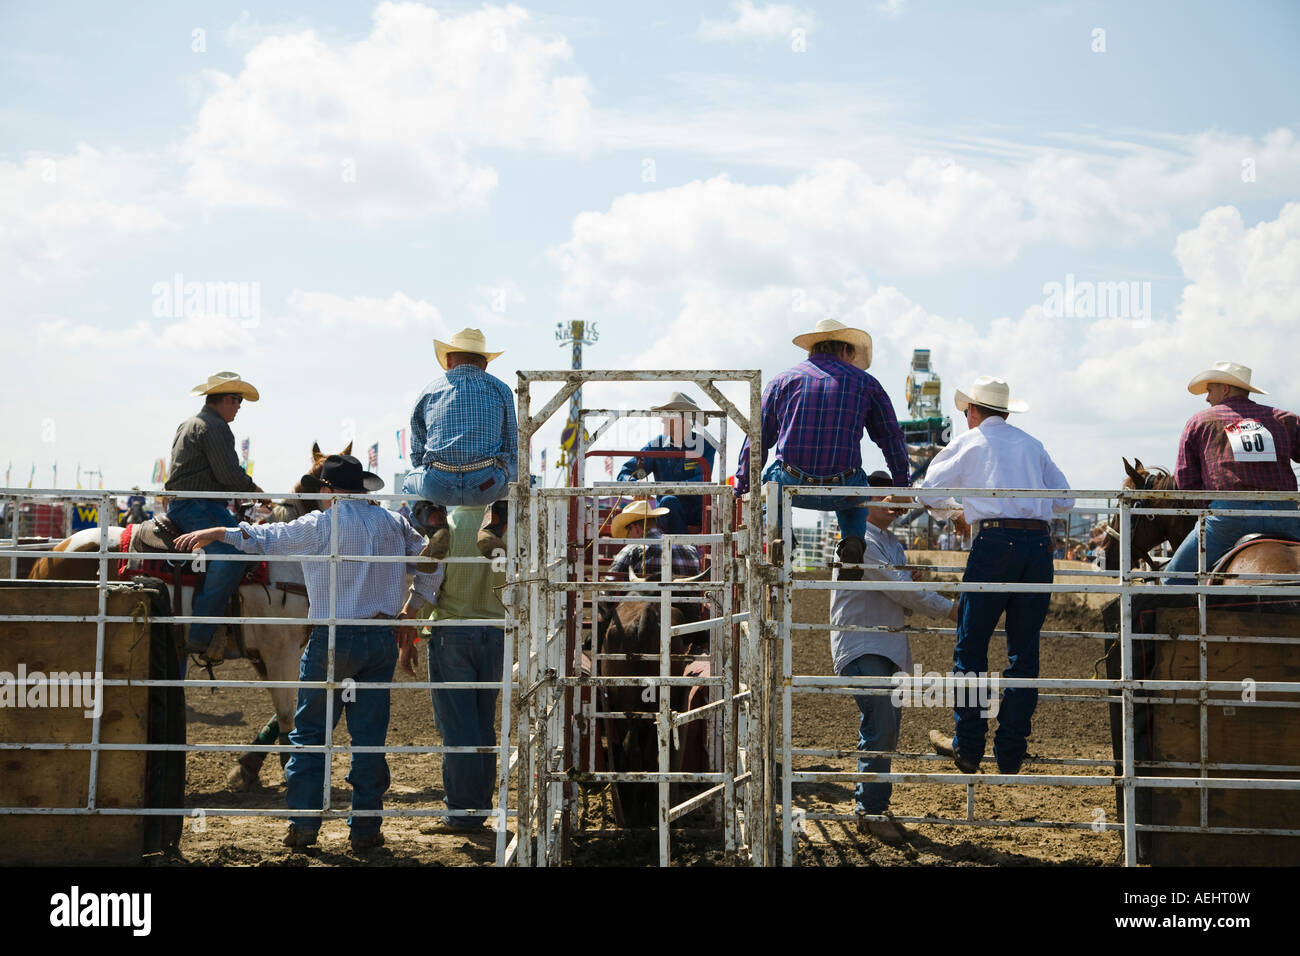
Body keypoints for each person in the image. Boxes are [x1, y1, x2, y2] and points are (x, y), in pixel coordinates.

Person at [175, 454, 442, 851]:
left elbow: (267, 539)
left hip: (333, 640)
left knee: (311, 735)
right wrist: (411, 610)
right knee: (368, 738)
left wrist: (219, 532)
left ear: (328, 491)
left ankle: (303, 824)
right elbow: (431, 562)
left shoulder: (320, 524)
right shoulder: (393, 523)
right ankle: (365, 828)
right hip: (379, 637)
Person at [916, 376, 1073, 775]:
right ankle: (1011, 750)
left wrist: (958, 511)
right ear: (1006, 410)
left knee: (971, 647)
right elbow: (1065, 499)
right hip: (1037, 548)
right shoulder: (1032, 444)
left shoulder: (969, 442)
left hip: (993, 546)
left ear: (972, 411)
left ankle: (968, 745)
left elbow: (928, 492)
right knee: (1024, 651)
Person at [732, 318, 910, 581]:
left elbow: (756, 441)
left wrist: (742, 487)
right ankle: (852, 540)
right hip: (843, 485)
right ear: (846, 350)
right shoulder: (866, 383)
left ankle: (781, 535)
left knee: (770, 484)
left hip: (791, 482)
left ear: (812, 350)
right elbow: (891, 438)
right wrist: (902, 486)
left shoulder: (782, 381)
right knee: (857, 494)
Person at [831, 472, 956, 843]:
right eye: (883, 494)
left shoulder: (886, 542)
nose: (892, 501)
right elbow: (901, 590)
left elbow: (901, 590)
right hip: (864, 645)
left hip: (880, 645)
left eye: (895, 494)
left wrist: (911, 586)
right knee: (881, 725)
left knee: (882, 726)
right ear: (864, 500)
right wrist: (949, 609)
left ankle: (873, 808)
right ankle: (870, 811)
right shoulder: (862, 541)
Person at [397, 505, 505, 832]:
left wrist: (410, 634)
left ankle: (462, 812)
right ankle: (479, 806)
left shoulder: (448, 524)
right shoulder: (505, 521)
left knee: (458, 726)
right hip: (497, 632)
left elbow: (431, 582)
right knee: (482, 722)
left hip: (452, 631)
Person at [1163, 362, 1300, 583]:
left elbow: (1185, 479)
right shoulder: (1284, 419)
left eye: (1209, 389)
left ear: (1225, 389)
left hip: (1227, 517)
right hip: (1284, 514)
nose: (1207, 397)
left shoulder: (1200, 422)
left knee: (1173, 580)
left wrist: (1208, 507)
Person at [164, 371, 268, 658]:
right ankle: (200, 634)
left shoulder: (189, 423)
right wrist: (256, 489)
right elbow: (227, 474)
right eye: (237, 401)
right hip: (200, 506)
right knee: (235, 552)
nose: (238, 407)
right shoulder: (215, 426)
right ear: (226, 399)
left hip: (188, 503)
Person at [403, 328, 517, 562]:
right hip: (486, 484)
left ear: (448, 360)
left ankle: (436, 526)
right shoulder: (500, 388)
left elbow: (417, 451)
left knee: (409, 481)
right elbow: (512, 447)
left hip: (439, 484)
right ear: (484, 364)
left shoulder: (429, 390)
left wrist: (432, 483)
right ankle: (492, 528)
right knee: (521, 476)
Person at [617, 392, 717, 534]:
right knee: (668, 502)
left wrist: (662, 490)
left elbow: (701, 480)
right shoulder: (656, 445)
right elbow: (627, 472)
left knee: (668, 501)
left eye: (668, 415)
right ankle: (682, 552)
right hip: (666, 515)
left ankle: (679, 551)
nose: (662, 420)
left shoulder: (705, 446)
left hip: (695, 516)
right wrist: (635, 486)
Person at [606, 499, 703, 580]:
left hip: (647, 602)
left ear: (635, 528)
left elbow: (609, 585)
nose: (628, 537)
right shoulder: (691, 549)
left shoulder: (632, 550)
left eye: (628, 531)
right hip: (685, 602)